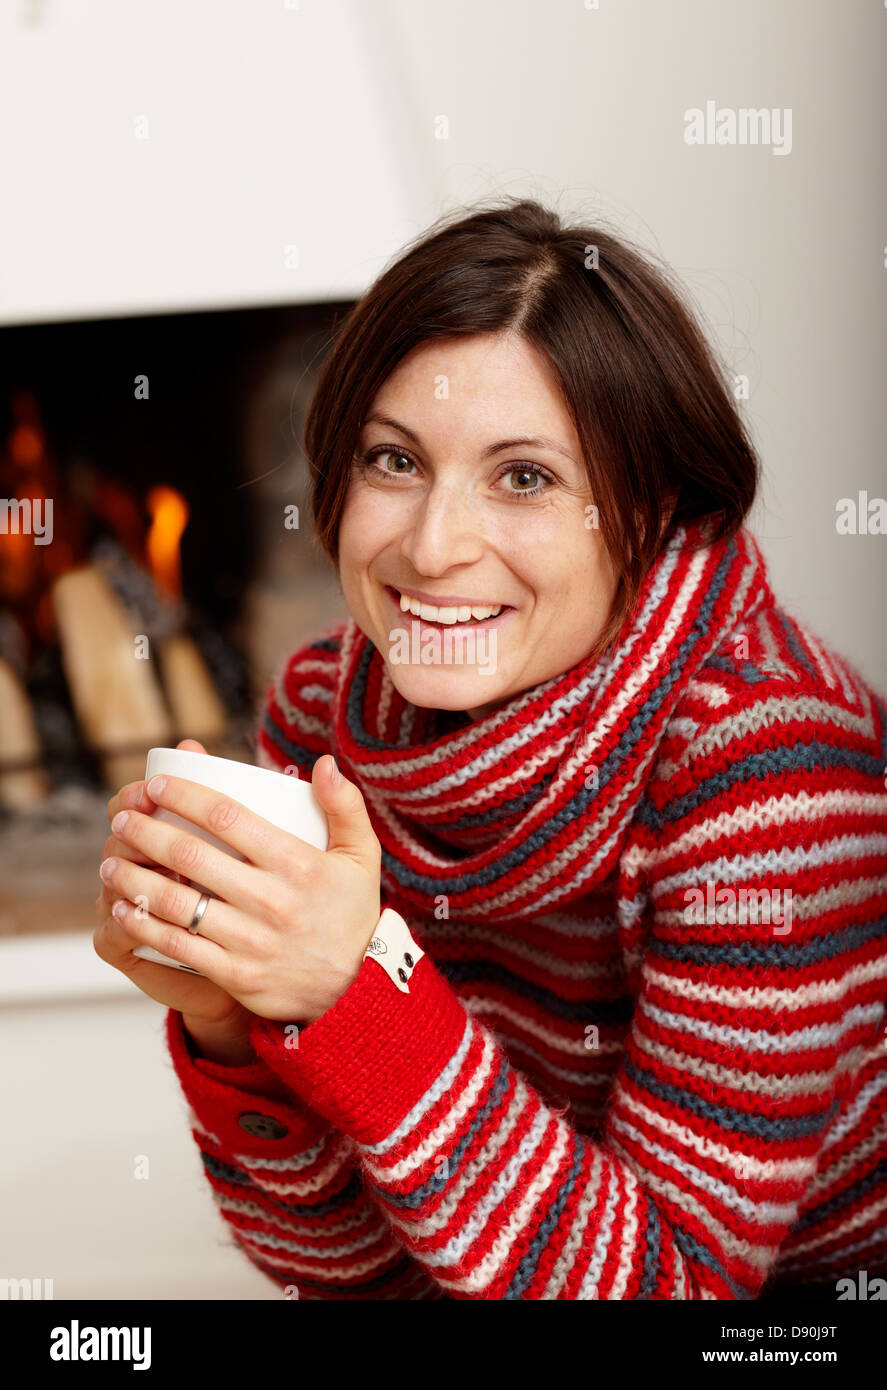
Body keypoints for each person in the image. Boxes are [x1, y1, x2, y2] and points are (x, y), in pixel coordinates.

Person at [95, 198, 887, 1300]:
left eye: (523, 477)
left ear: (648, 509)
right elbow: (355, 1280)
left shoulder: (765, 760)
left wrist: (358, 995)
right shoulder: (326, 710)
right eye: (393, 460)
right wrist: (232, 1021)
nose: (430, 546)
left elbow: (682, 1298)